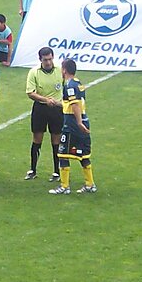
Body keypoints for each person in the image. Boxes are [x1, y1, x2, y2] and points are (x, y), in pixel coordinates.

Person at [50, 59, 96, 194]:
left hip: (72, 126)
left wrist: (78, 122)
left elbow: (75, 105)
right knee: (84, 155)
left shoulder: (69, 85)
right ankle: (90, 184)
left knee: (62, 154)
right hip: (83, 122)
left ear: (64, 70)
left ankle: (64, 187)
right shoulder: (78, 83)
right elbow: (72, 103)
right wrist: (58, 103)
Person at [25, 46, 63, 181]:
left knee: (56, 139)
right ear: (40, 59)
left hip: (57, 109)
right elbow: (30, 93)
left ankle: (57, 171)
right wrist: (46, 100)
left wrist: (60, 103)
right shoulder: (34, 72)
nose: (48, 62)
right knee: (37, 138)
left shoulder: (60, 70)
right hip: (40, 108)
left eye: (50, 59)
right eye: (45, 60)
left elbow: (67, 85)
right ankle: (33, 169)